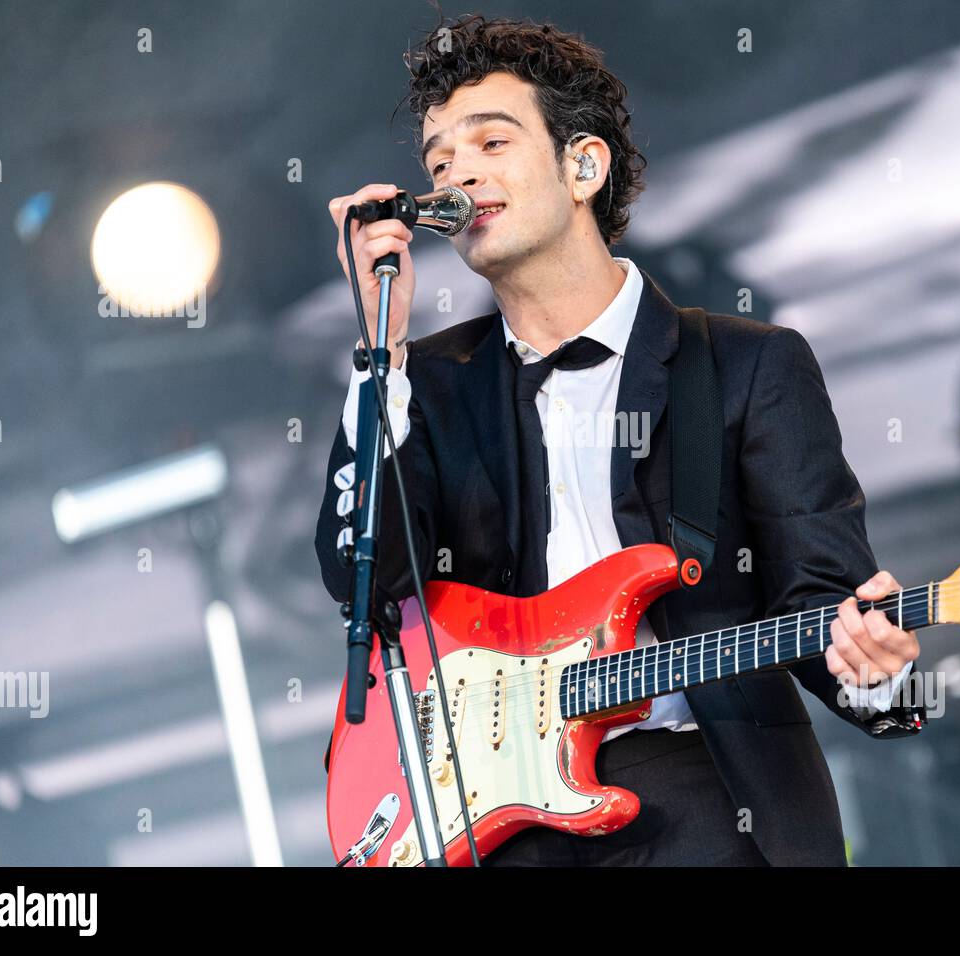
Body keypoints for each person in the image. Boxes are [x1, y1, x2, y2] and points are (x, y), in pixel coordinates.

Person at [315, 14, 925, 866]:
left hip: (701, 789)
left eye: (492, 142)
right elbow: (358, 576)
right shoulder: (427, 384)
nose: (458, 174)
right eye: (440, 162)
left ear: (583, 165)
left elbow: (818, 600)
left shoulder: (746, 367)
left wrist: (878, 673)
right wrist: (379, 355)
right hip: (501, 824)